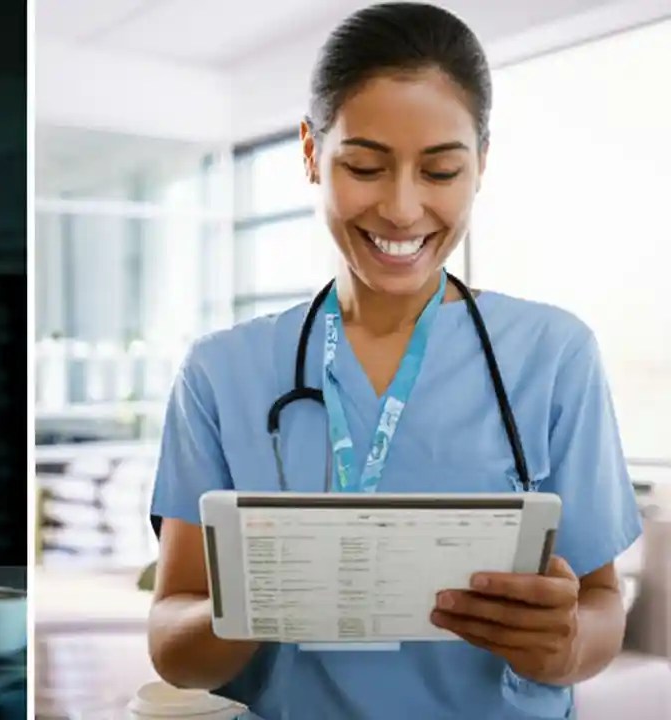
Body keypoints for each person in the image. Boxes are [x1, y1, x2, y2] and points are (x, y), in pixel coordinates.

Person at [146, 3, 641, 718]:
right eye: (366, 166)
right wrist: (269, 594)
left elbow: (600, 606)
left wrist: (563, 645)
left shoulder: (553, 354)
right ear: (312, 154)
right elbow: (173, 642)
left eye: (441, 170)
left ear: (481, 166)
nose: (404, 209)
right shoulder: (221, 373)